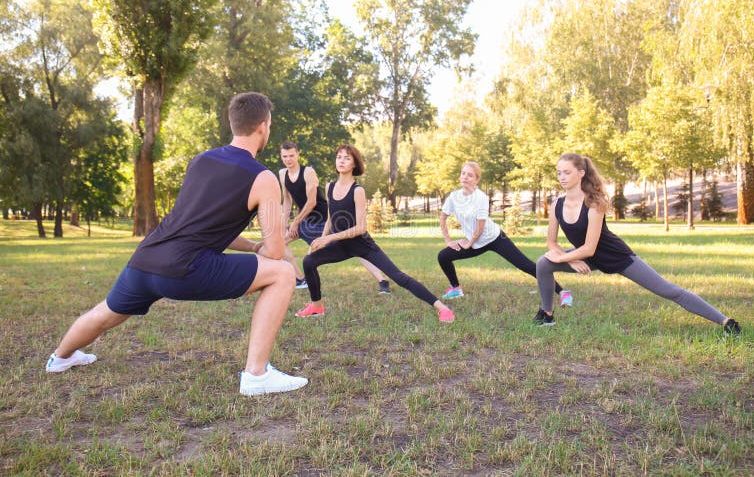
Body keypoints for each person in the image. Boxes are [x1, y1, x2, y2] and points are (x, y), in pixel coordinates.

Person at [45, 92, 309, 396]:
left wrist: (251, 248)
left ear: (232, 123)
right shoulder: (263, 177)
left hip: (146, 260)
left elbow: (196, 223)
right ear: (263, 126)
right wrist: (264, 249)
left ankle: (60, 358)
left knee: (106, 313)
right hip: (185, 269)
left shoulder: (201, 160)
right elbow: (275, 253)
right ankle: (257, 375)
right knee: (284, 273)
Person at [533, 152, 741, 334]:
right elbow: (551, 242)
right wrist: (570, 260)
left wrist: (567, 257)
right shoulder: (557, 204)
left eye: (567, 172)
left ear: (581, 174)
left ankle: (726, 321)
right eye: (559, 172)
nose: (561, 177)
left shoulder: (594, 203)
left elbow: (589, 248)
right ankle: (547, 314)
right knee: (543, 263)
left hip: (616, 256)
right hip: (586, 257)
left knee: (667, 290)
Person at [296, 144, 454, 323]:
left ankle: (442, 308)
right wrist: (322, 240)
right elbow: (331, 217)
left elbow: (361, 228)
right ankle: (317, 307)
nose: (341, 161)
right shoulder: (330, 187)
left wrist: (330, 237)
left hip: (363, 245)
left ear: (354, 164)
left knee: (399, 277)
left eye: (347, 158)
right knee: (309, 261)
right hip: (341, 246)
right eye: (339, 157)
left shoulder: (358, 191)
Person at [438, 161, 570, 305]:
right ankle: (456, 289)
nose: (465, 177)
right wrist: (448, 241)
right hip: (475, 243)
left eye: (470, 175)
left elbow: (480, 227)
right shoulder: (454, 197)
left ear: (476, 180)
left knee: (525, 265)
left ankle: (563, 292)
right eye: (463, 173)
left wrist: (468, 243)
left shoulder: (480, 197)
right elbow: (443, 217)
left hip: (494, 238)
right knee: (443, 256)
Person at [278, 141, 391, 294]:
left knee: (355, 248)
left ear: (298, 154)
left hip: (324, 220)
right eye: (285, 156)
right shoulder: (282, 174)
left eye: (291, 155)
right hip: (306, 221)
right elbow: (287, 201)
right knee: (279, 242)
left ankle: (382, 281)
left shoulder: (307, 172)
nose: (288, 159)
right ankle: (300, 279)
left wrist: (295, 222)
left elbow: (312, 202)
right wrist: (283, 224)